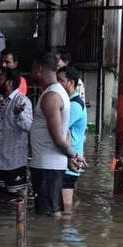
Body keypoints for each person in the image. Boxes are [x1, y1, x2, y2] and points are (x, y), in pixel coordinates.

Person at [30, 52, 86, 216]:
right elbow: (65, 131)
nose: (31, 72)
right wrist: (69, 157)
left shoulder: (52, 96)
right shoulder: (59, 92)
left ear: (39, 68)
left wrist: (73, 155)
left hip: (47, 166)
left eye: (33, 68)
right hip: (51, 165)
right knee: (53, 212)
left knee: (47, 215)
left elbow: (58, 138)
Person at [0, 68, 32, 195]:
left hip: (15, 162)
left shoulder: (22, 101)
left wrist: (18, 114)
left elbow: (29, 126)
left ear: (9, 83)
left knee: (16, 199)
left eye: (0, 80)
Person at [57, 65, 86, 214]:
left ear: (71, 82)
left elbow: (62, 130)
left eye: (61, 80)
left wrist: (70, 157)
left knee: (66, 208)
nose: (58, 84)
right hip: (70, 157)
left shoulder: (74, 105)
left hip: (71, 160)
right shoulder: (71, 102)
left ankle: (68, 227)